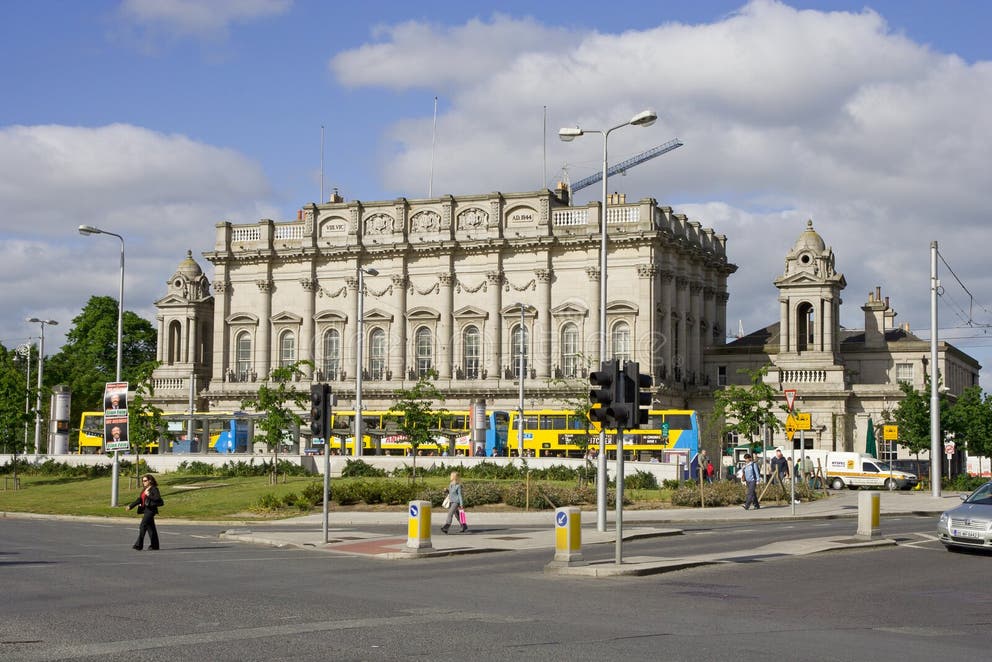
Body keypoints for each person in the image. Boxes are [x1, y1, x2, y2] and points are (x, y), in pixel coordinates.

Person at [126, 474, 164, 550]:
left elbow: (157, 498)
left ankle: (139, 545)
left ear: (150, 481)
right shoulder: (144, 489)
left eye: (145, 481)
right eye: (143, 481)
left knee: (143, 526)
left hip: (151, 510)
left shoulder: (154, 489)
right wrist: (130, 506)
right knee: (151, 528)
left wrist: (149, 495)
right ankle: (155, 546)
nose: (143, 482)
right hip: (145, 510)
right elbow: (139, 499)